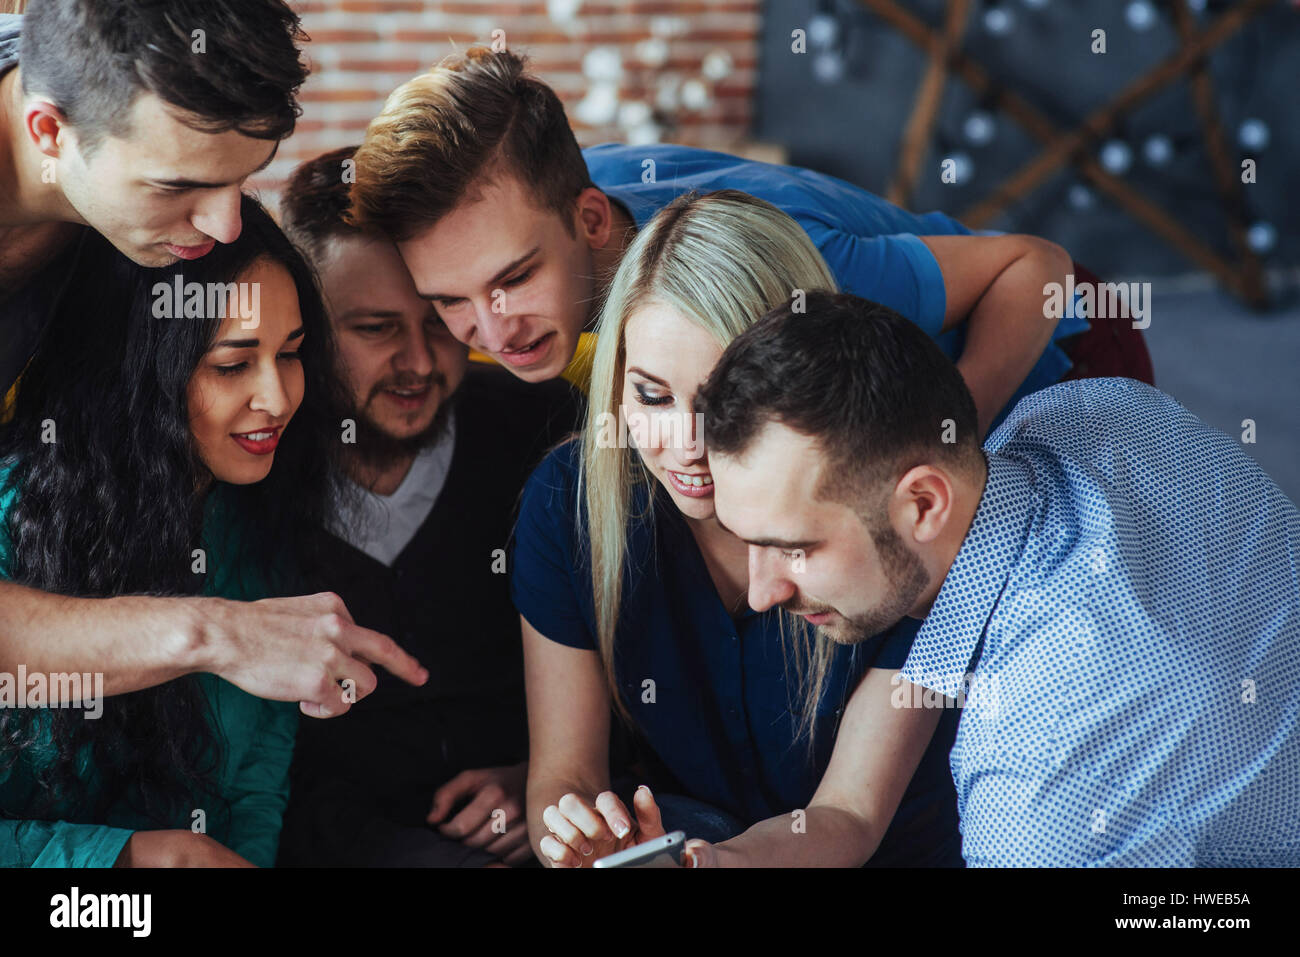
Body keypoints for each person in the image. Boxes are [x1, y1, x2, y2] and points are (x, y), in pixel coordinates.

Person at [695, 291, 1300, 866]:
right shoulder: (1101, 408)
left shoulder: (1035, 778)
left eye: (794, 548)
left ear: (926, 504)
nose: (761, 592)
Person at [346, 46, 1151, 434]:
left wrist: (944, 436)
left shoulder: (779, 273)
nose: (491, 331)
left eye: (511, 282)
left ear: (591, 218)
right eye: (449, 299)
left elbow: (1032, 265)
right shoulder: (537, 196)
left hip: (1062, 338)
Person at [0, 2, 427, 720]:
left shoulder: (95, 120)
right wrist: (214, 632)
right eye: (180, 186)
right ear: (50, 131)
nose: (226, 225)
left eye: (243, 178)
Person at [513, 190, 963, 868]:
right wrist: (581, 843)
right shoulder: (567, 505)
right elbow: (563, 775)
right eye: (652, 395)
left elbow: (849, 815)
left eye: (724, 400)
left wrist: (719, 863)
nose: (687, 443)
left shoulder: (880, 516)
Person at [0, 196, 347, 866]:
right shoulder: (16, 516)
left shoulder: (258, 518)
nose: (277, 399)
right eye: (232, 364)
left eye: (292, 352)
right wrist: (124, 860)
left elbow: (254, 788)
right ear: (137, 368)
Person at [275, 147, 580, 867]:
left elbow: (628, 660)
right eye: (376, 328)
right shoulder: (249, 468)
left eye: (440, 319)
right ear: (305, 327)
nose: (418, 361)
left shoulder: (544, 430)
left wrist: (543, 779)